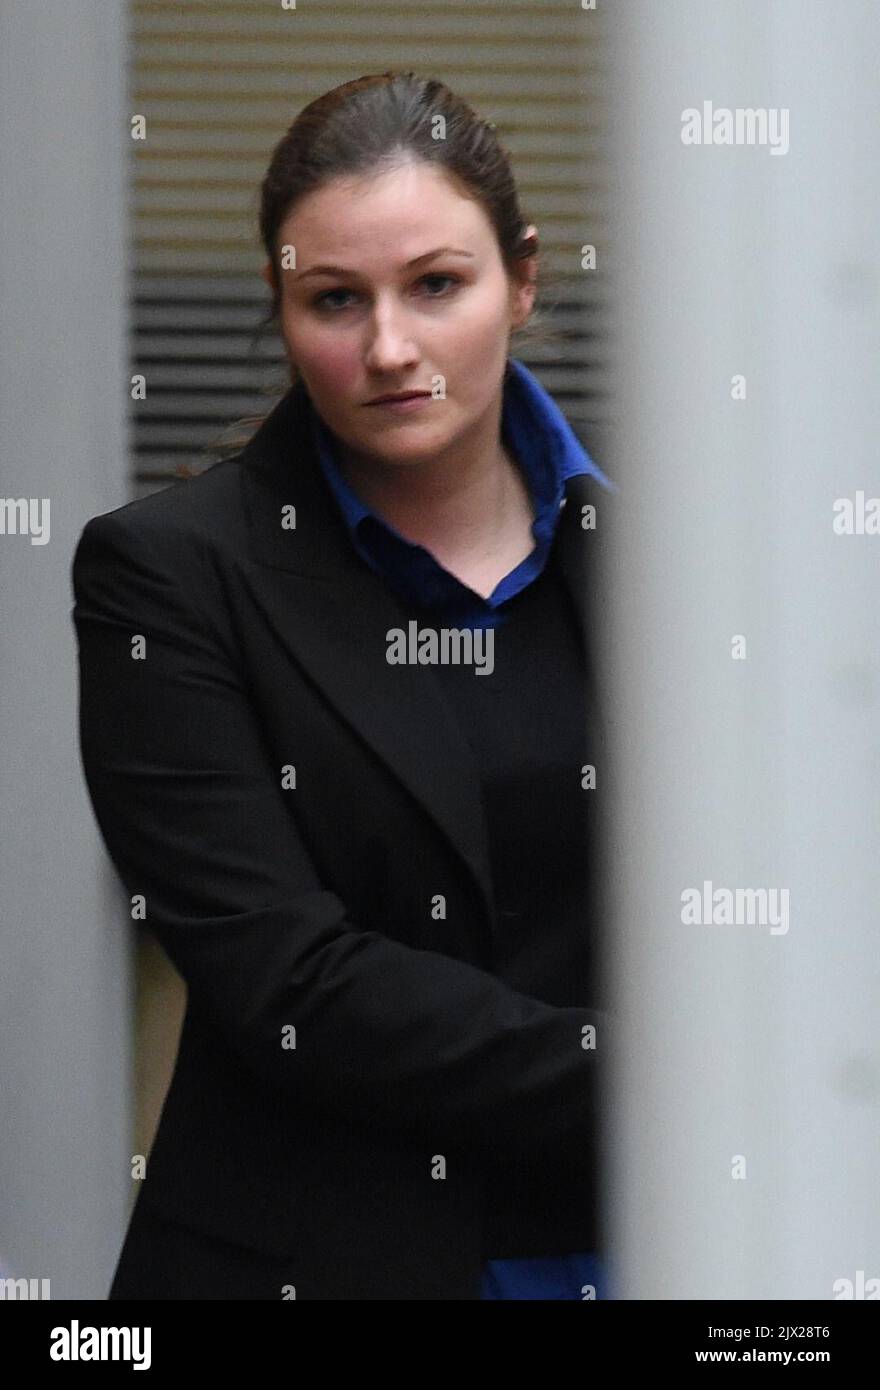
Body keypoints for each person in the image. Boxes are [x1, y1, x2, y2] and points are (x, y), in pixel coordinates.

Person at [72, 71, 616, 1301]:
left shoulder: (667, 567)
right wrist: (666, 1084)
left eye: (437, 284)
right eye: (334, 299)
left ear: (521, 281)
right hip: (321, 1260)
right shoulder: (167, 575)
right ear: (281, 302)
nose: (388, 347)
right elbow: (286, 979)